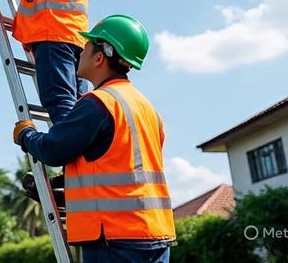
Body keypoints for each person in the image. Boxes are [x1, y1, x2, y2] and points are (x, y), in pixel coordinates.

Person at [12, 15, 176, 263]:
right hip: (155, 235)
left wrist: (26, 135)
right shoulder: (147, 108)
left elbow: (54, 150)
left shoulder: (98, 103)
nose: (80, 51)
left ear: (99, 57)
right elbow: (122, 164)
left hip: (114, 239)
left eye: (86, 46)